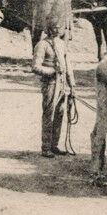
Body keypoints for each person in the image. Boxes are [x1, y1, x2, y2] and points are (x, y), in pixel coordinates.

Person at [31, 21, 75, 157]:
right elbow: (35, 67)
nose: (57, 29)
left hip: (62, 84)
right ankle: (45, 147)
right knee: (49, 114)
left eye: (59, 27)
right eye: (55, 27)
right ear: (48, 29)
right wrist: (52, 71)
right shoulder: (42, 45)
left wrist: (72, 85)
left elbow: (67, 65)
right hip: (49, 83)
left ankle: (54, 145)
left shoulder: (62, 44)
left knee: (60, 113)